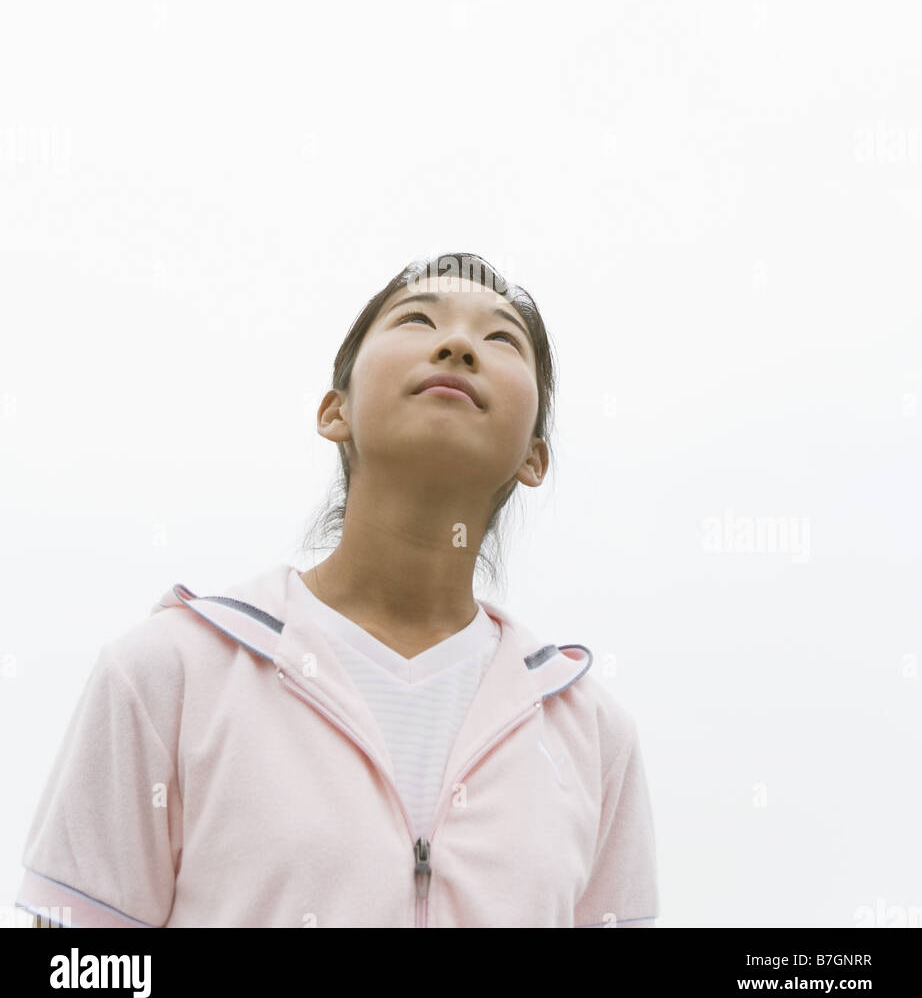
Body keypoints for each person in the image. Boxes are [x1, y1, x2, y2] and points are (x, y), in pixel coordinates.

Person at [17, 252, 660, 928]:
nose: (458, 344)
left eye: (500, 338)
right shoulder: (167, 674)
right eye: (417, 319)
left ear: (535, 457)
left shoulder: (593, 738)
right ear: (334, 411)